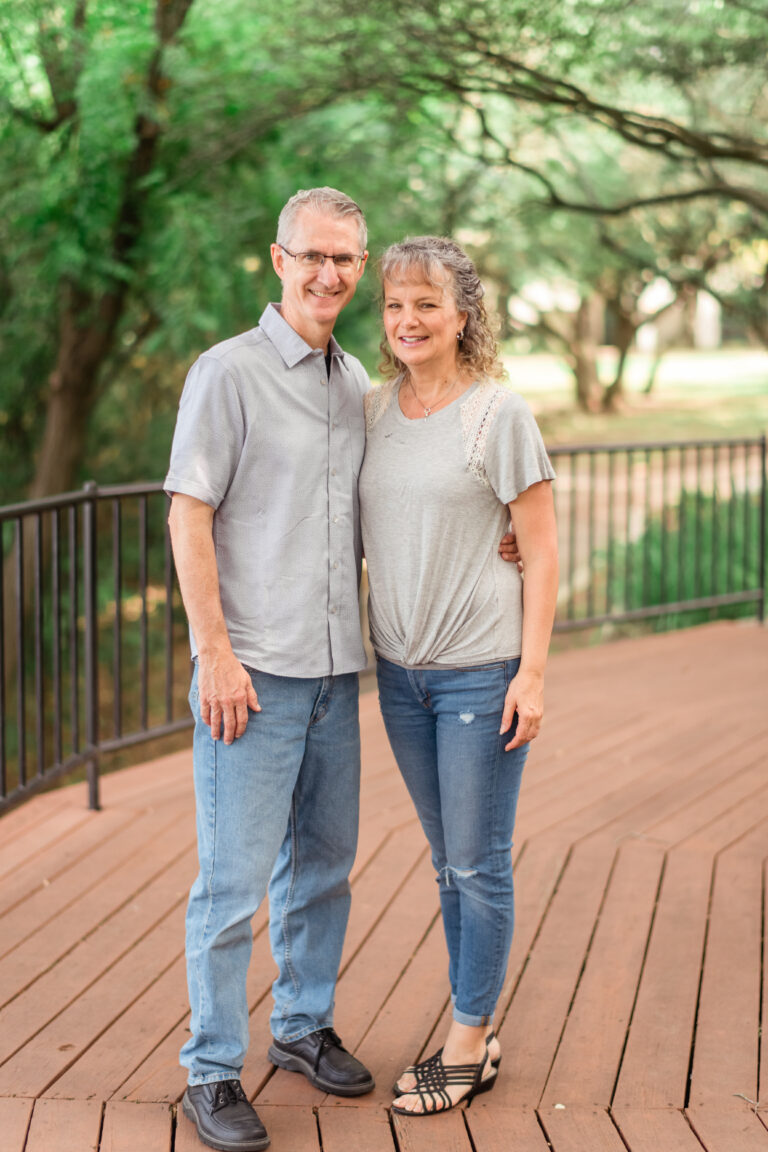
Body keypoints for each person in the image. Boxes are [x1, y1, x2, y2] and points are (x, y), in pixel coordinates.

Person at [165, 187, 376, 1152]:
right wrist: (214, 651)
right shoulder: (229, 373)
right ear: (279, 260)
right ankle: (212, 1070)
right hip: (253, 675)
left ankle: (299, 1027)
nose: (328, 273)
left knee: (323, 870)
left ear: (358, 272)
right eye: (313, 256)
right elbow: (188, 512)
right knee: (232, 884)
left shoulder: (354, 379)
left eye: (346, 260)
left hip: (338, 672)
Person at [359, 236, 559, 1116]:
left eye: (426, 305)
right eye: (396, 305)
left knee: (476, 866)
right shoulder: (369, 411)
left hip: (482, 674)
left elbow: (543, 549)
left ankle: (469, 1040)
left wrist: (536, 674)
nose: (408, 320)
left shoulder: (497, 415)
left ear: (462, 315)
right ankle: (479, 1018)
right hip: (400, 678)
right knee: (448, 861)